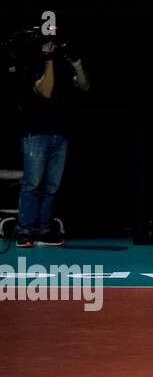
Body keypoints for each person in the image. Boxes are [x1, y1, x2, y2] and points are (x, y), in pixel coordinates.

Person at [15, 32, 89, 247]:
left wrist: (77, 64)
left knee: (51, 186)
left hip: (60, 134)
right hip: (36, 134)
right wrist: (48, 61)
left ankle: (43, 229)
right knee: (33, 184)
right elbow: (45, 91)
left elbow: (84, 85)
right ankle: (24, 231)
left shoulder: (65, 67)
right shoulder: (33, 66)